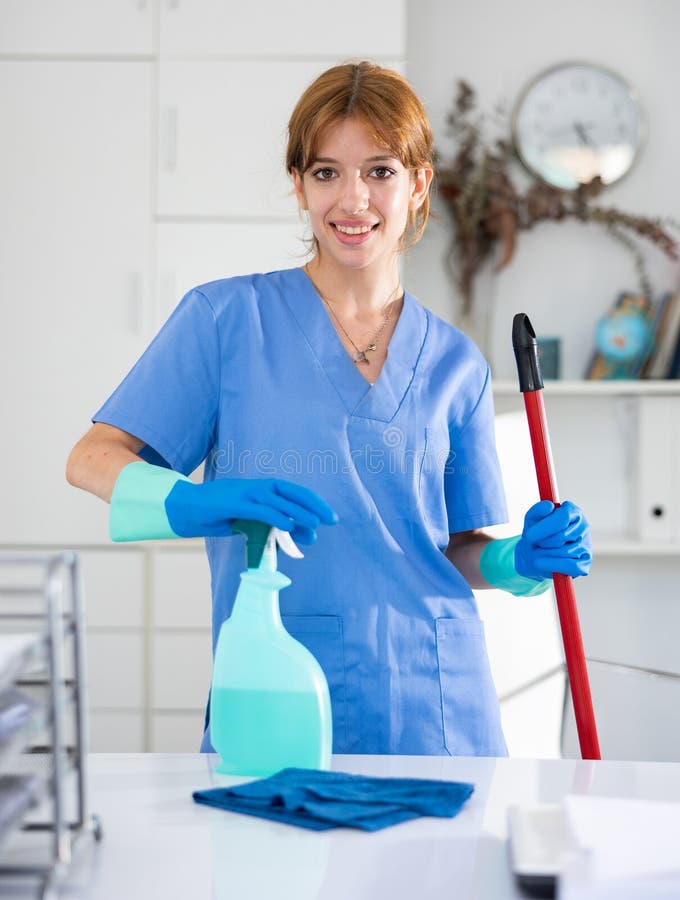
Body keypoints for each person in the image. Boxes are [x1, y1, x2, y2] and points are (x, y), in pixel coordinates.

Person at [66, 61, 591, 757]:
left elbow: (456, 551)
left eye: (379, 171)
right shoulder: (225, 320)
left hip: (438, 712)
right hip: (277, 699)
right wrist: (199, 502)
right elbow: (92, 458)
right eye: (325, 173)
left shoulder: (456, 362)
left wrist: (519, 561)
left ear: (418, 184)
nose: (353, 200)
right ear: (298, 185)